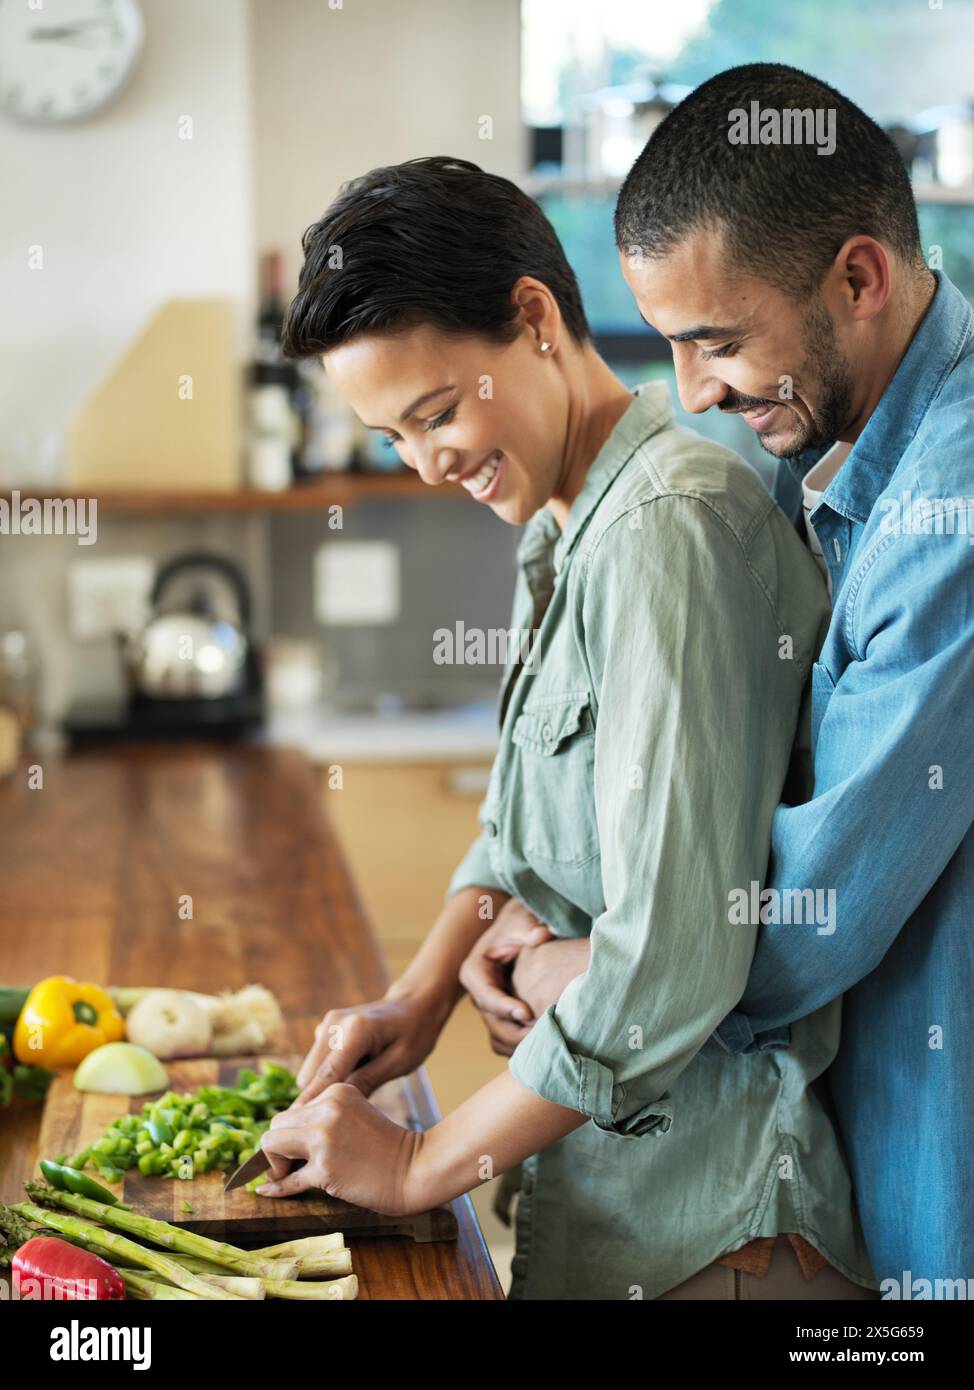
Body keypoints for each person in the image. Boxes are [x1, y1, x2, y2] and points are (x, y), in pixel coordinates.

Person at [258, 155, 879, 1301]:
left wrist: (411, 1164)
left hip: (713, 1229)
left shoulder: (667, 527)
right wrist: (420, 996)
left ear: (533, 318)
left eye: (436, 411)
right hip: (612, 1213)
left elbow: (667, 961)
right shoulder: (561, 522)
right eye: (392, 434)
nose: (426, 461)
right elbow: (513, 830)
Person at [483, 62, 974, 1293]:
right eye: (670, 345)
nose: (694, 388)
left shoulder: (949, 511)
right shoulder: (850, 460)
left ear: (856, 278)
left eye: (718, 339)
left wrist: (575, 968)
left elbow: (814, 912)